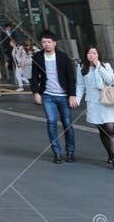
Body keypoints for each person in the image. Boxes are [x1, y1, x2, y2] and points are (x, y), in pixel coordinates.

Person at [31, 32, 79, 163]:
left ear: (54, 43)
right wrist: (36, 92)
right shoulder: (37, 57)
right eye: (44, 42)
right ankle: (57, 153)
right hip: (48, 96)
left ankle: (70, 152)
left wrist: (72, 95)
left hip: (64, 96)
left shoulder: (63, 57)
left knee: (67, 124)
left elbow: (71, 77)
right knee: (51, 122)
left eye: (49, 42)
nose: (46, 44)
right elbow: (34, 77)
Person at [77, 46, 114, 168]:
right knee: (103, 131)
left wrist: (98, 66)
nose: (91, 55)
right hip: (94, 103)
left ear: (98, 55)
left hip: (108, 102)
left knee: (110, 129)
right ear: (85, 55)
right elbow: (80, 85)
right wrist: (77, 99)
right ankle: (110, 155)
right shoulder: (81, 68)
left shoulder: (105, 66)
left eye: (94, 53)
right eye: (89, 53)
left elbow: (111, 81)